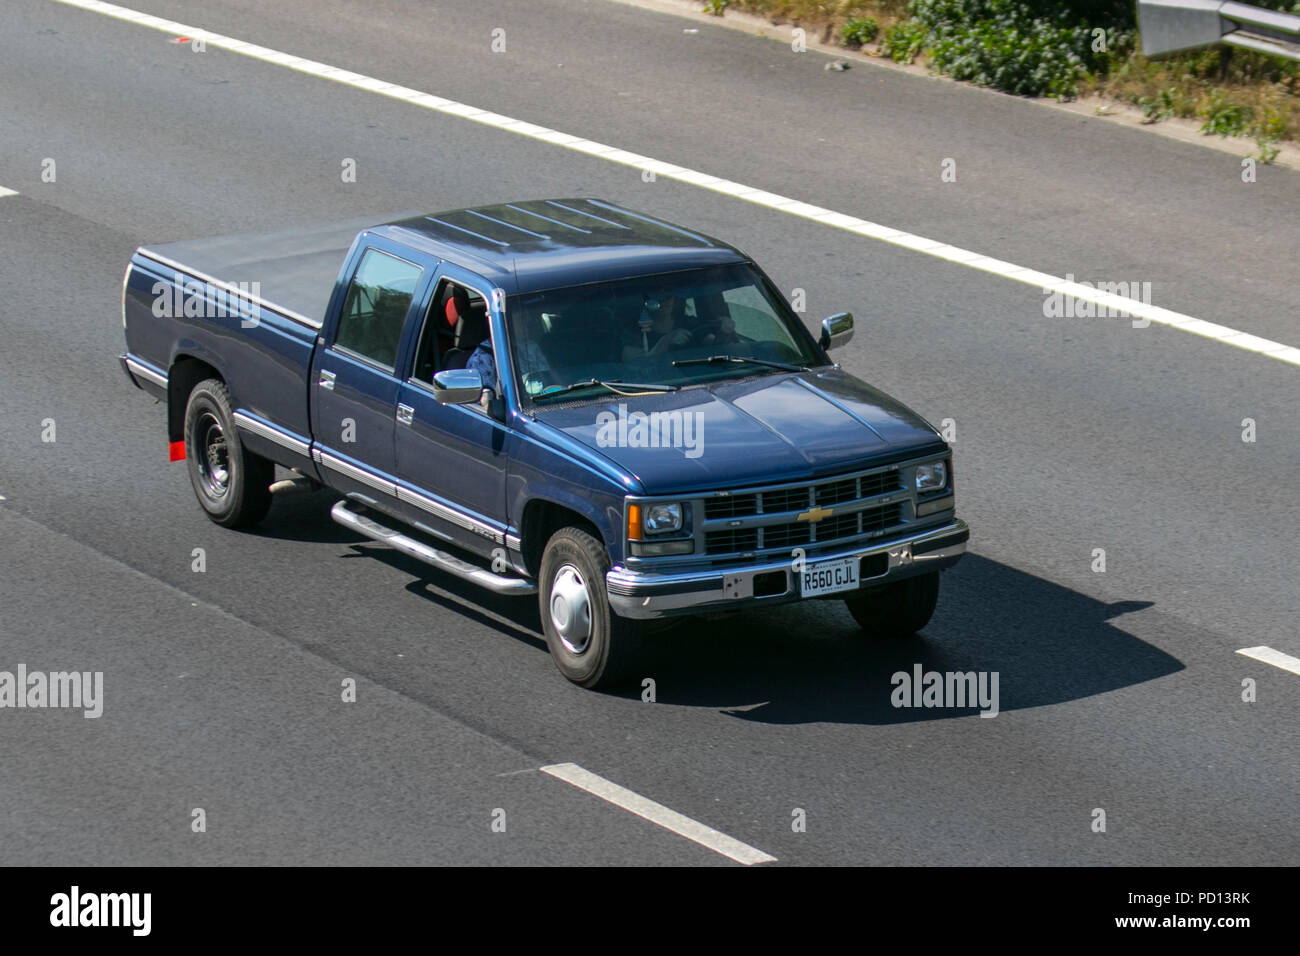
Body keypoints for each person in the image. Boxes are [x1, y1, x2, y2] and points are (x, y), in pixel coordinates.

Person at [621, 291, 693, 362]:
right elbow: (637, 365)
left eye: (669, 295)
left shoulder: (690, 323)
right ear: (646, 301)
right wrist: (665, 342)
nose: (665, 301)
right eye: (658, 297)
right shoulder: (633, 332)